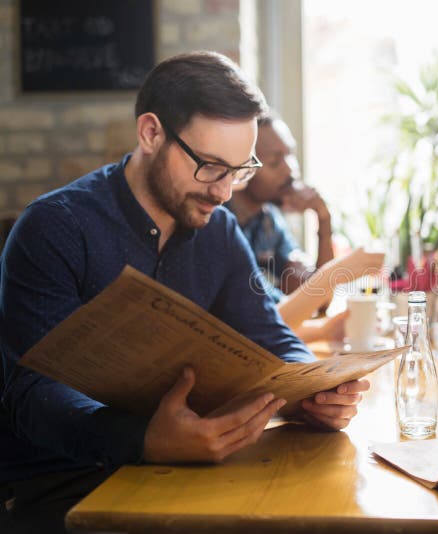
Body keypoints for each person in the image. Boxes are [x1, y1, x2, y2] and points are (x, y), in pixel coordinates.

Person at [0, 51, 369, 533]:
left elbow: (269, 335)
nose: (224, 194)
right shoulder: (55, 227)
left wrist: (316, 390)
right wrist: (145, 440)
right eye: (211, 167)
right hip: (61, 487)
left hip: (180, 474)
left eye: (240, 170)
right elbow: (32, 393)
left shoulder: (218, 230)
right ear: (151, 133)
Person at [226, 116, 334, 297]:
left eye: (290, 155)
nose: (290, 170)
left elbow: (319, 296)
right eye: (275, 161)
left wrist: (324, 219)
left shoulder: (268, 220)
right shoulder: (219, 224)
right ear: (243, 167)